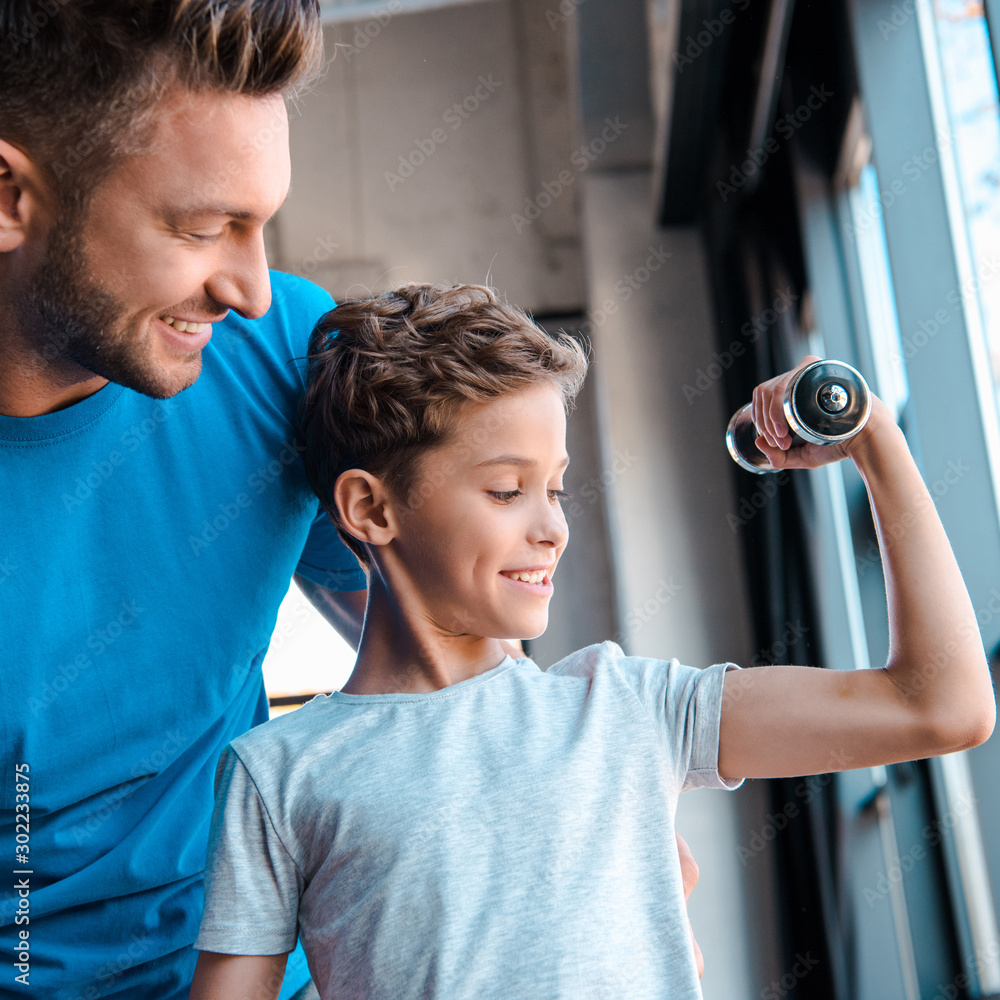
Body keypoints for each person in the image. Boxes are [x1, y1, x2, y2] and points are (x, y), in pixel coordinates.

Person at [0, 3, 701, 997]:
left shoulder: (280, 350)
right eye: (203, 229)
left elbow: (439, 624)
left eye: (260, 225)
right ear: (10, 197)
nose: (250, 288)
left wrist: (570, 808)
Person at [188, 283, 995, 999]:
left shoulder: (628, 708)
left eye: (557, 489)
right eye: (507, 490)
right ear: (371, 509)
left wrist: (874, 442)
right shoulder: (280, 775)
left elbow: (939, 706)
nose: (552, 527)